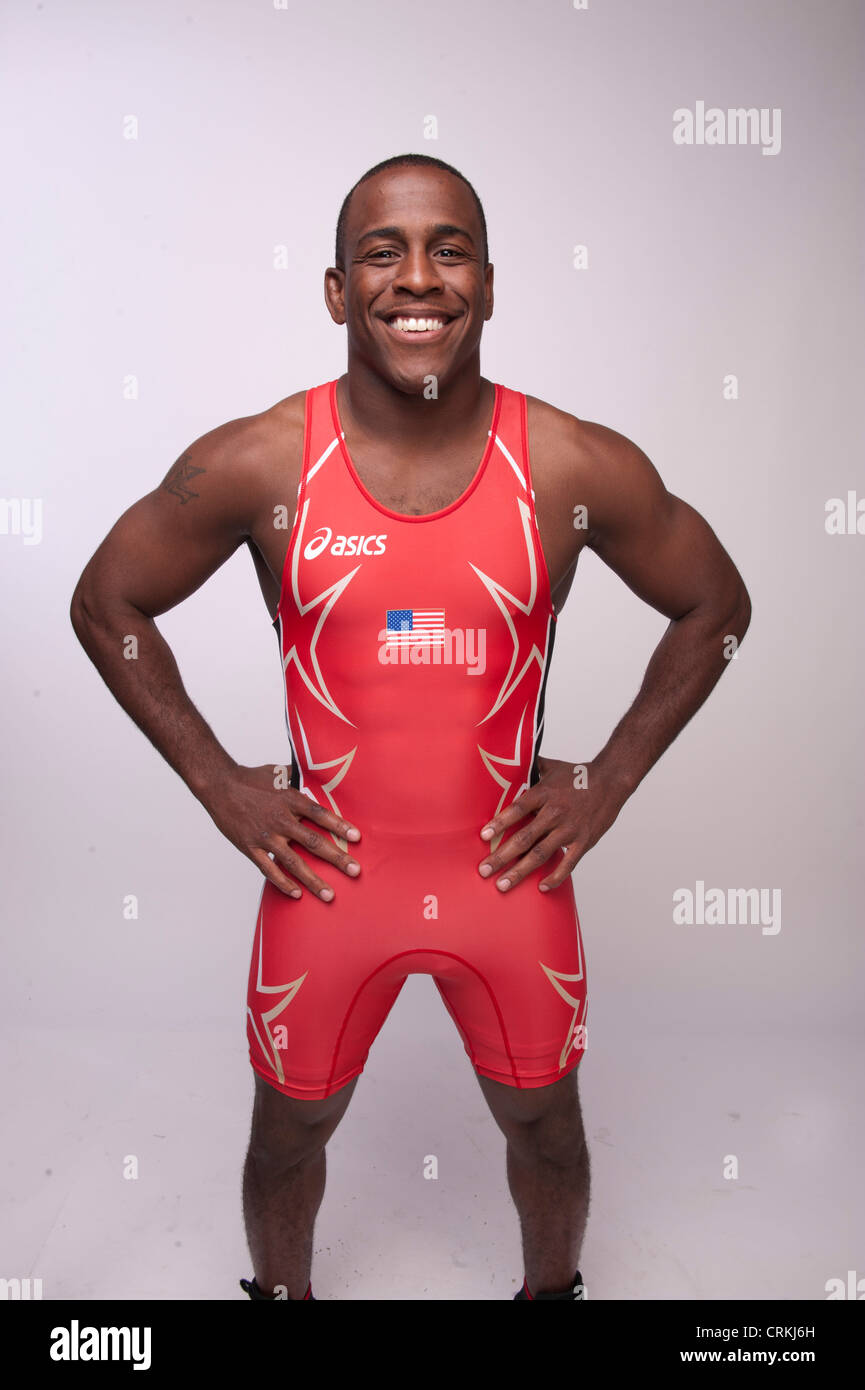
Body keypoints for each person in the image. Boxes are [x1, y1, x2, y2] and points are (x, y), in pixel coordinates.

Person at [70, 153, 751, 1302]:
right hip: (328, 883)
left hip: (508, 877)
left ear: (487, 282)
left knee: (547, 1129)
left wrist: (608, 778)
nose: (416, 277)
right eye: (382, 251)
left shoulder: (571, 463)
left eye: (448, 248)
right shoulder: (262, 460)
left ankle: (552, 1298)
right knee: (288, 1135)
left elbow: (715, 606)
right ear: (338, 291)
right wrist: (219, 782)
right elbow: (107, 603)